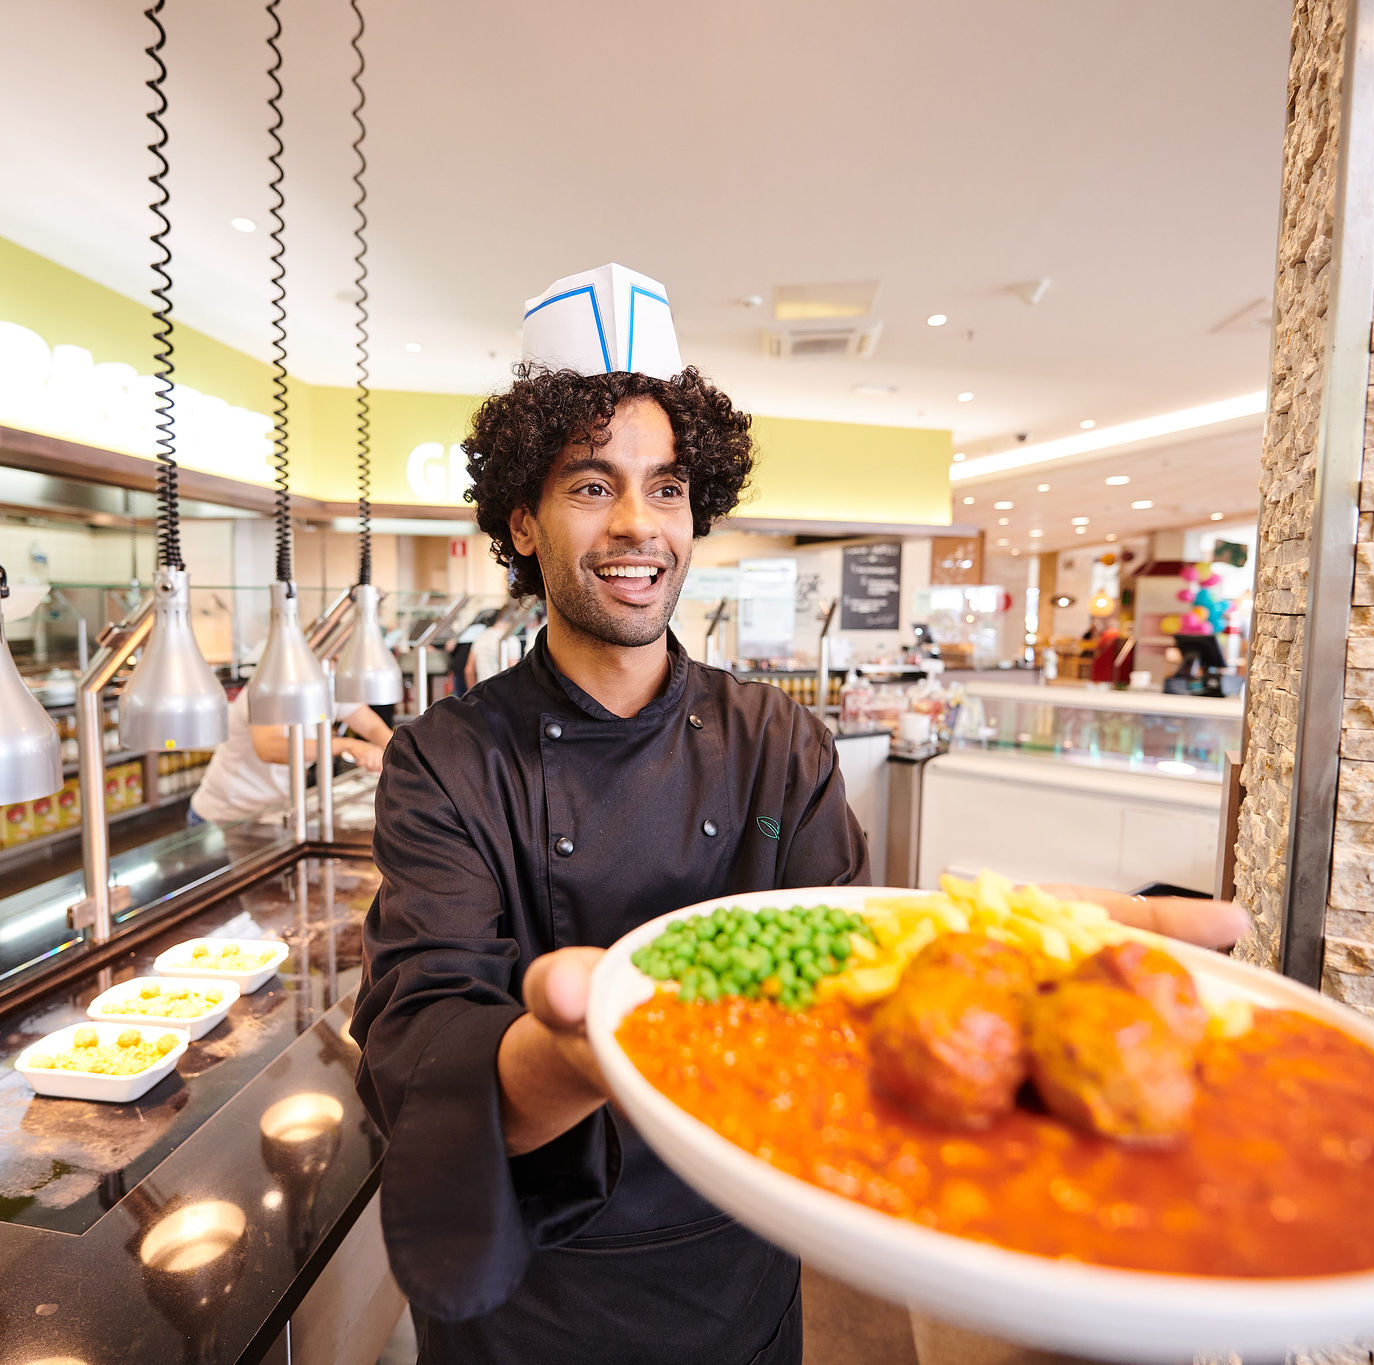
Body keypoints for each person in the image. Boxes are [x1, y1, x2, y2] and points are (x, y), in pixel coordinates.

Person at [350, 264, 1247, 1365]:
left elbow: (844, 980)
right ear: (521, 524)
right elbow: (418, 1051)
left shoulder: (779, 741)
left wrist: (985, 961)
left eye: (667, 488)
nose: (639, 526)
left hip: (736, 1265)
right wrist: (588, 1055)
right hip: (533, 1296)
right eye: (591, 487)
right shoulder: (447, 761)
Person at [187, 688, 393, 826]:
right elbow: (269, 748)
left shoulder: (327, 683)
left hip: (272, 816)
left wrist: (402, 751)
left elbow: (372, 726)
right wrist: (350, 745)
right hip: (227, 819)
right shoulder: (267, 688)